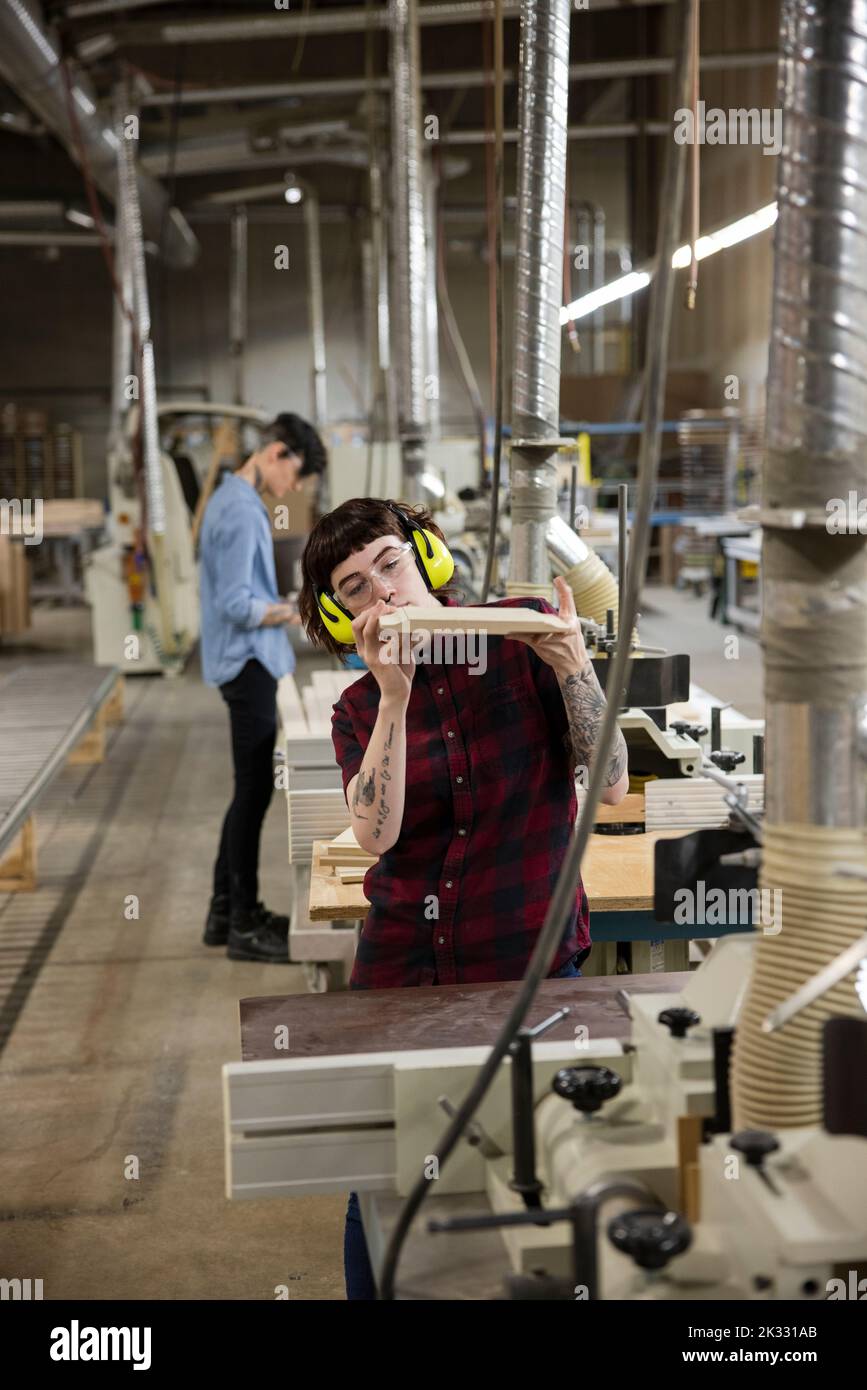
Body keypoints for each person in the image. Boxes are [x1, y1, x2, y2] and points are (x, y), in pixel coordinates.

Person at [298, 496, 629, 1297]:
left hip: (529, 959)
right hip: (406, 972)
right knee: (383, 1179)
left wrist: (575, 664)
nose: (382, 594)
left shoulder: (516, 640)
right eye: (354, 589)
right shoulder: (357, 707)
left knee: (548, 1159)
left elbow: (612, 782)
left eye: (389, 564)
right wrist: (395, 695)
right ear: (345, 619)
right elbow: (374, 835)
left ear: (427, 561)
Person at [200, 413, 326, 963]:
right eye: (295, 475)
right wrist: (297, 612)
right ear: (276, 453)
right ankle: (243, 925)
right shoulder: (241, 511)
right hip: (245, 664)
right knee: (252, 794)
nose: (294, 489)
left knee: (246, 792)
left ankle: (224, 912)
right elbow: (235, 605)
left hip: (249, 663)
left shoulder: (239, 501)